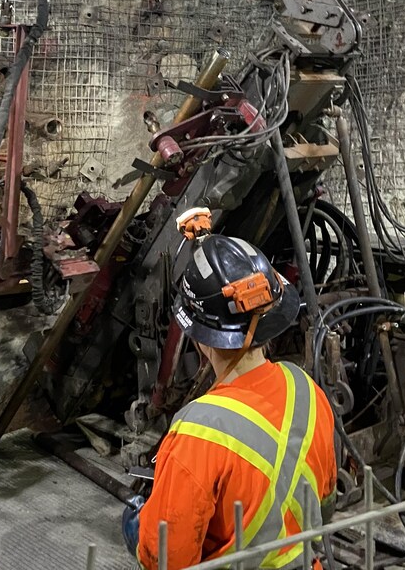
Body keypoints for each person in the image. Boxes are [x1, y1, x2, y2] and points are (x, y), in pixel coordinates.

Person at [122, 210, 337, 569]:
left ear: (199, 337)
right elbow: (325, 503)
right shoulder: (308, 392)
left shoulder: (196, 431)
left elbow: (166, 558)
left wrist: (139, 530)